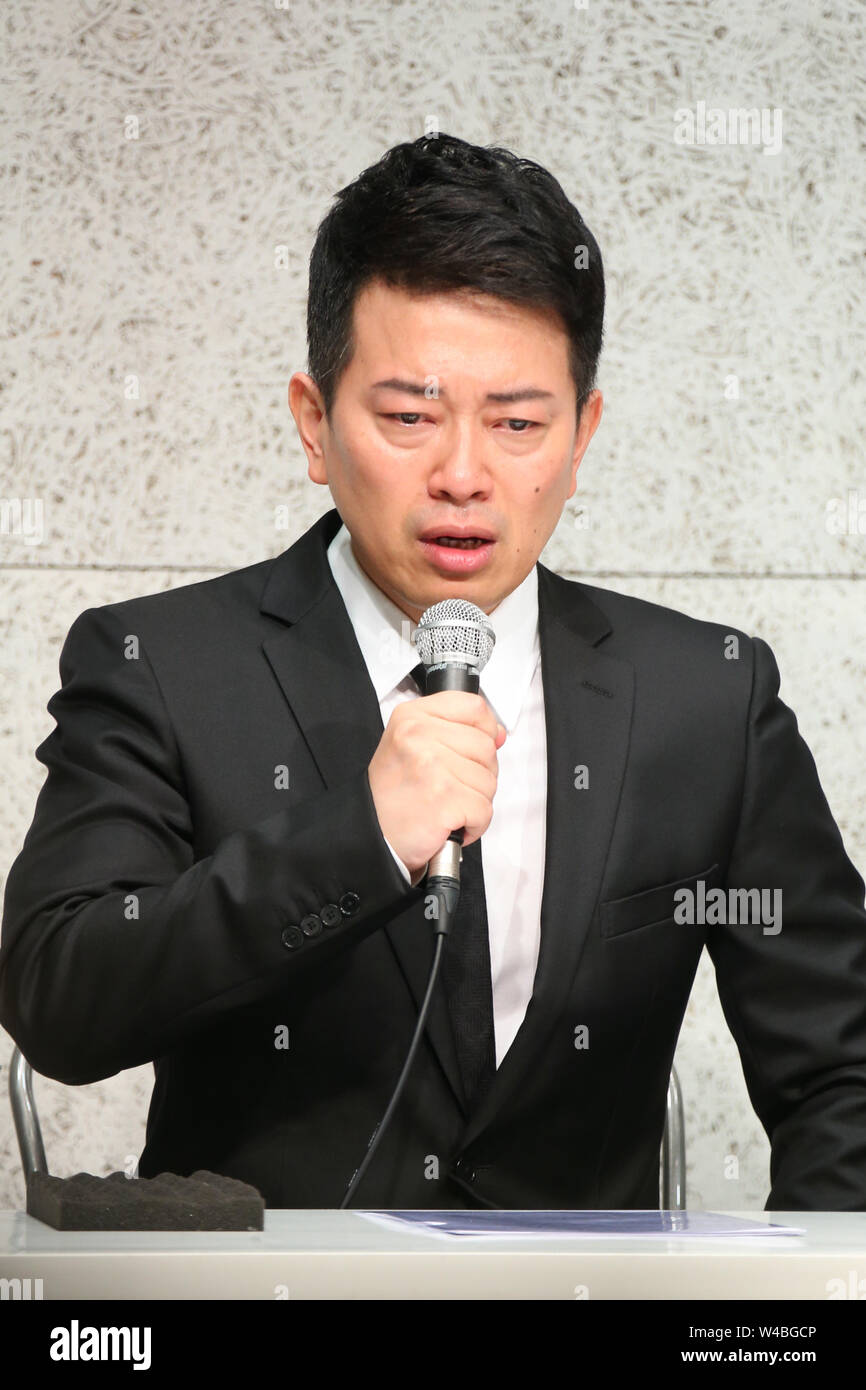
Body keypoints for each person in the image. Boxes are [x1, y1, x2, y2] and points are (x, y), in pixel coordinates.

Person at [2, 133, 866, 1211]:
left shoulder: (705, 698)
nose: (462, 474)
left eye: (515, 423)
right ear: (314, 423)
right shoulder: (162, 664)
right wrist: (355, 836)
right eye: (408, 417)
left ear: (581, 434)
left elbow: (841, 1071)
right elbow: (56, 995)